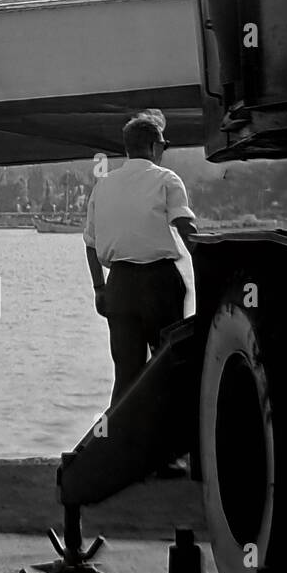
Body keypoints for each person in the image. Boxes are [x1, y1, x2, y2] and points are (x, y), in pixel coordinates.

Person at [84, 112, 197, 472]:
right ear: (153, 146)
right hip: (159, 282)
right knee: (167, 369)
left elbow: (90, 244)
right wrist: (211, 264)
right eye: (163, 144)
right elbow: (186, 228)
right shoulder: (166, 179)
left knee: (126, 373)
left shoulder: (103, 186)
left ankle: (117, 457)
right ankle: (165, 458)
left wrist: (99, 289)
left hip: (119, 284)